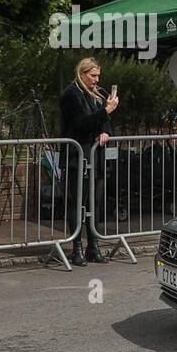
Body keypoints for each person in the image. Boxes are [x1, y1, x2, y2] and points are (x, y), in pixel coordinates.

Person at [59, 57, 118, 266]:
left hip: (96, 156)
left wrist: (104, 130)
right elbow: (81, 123)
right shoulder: (71, 94)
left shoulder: (99, 94)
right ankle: (76, 248)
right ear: (82, 73)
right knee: (77, 203)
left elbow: (106, 123)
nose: (96, 80)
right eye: (93, 76)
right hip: (77, 156)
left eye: (98, 76)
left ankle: (93, 245)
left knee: (95, 203)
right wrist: (106, 111)